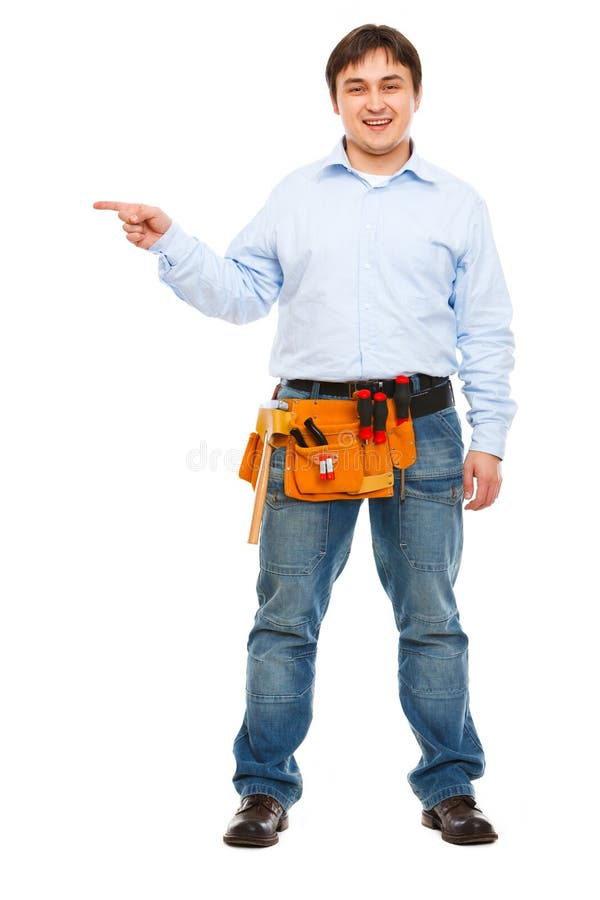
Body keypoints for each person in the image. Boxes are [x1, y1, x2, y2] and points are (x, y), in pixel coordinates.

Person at [94, 23, 516, 848]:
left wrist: (490, 436)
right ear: (336, 100)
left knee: (432, 615)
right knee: (285, 616)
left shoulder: (460, 204)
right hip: (312, 430)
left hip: (423, 430)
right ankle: (262, 789)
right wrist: (173, 243)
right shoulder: (296, 194)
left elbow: (488, 330)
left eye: (389, 84)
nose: (375, 101)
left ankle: (450, 785)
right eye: (356, 87)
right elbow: (245, 293)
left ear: (415, 94)